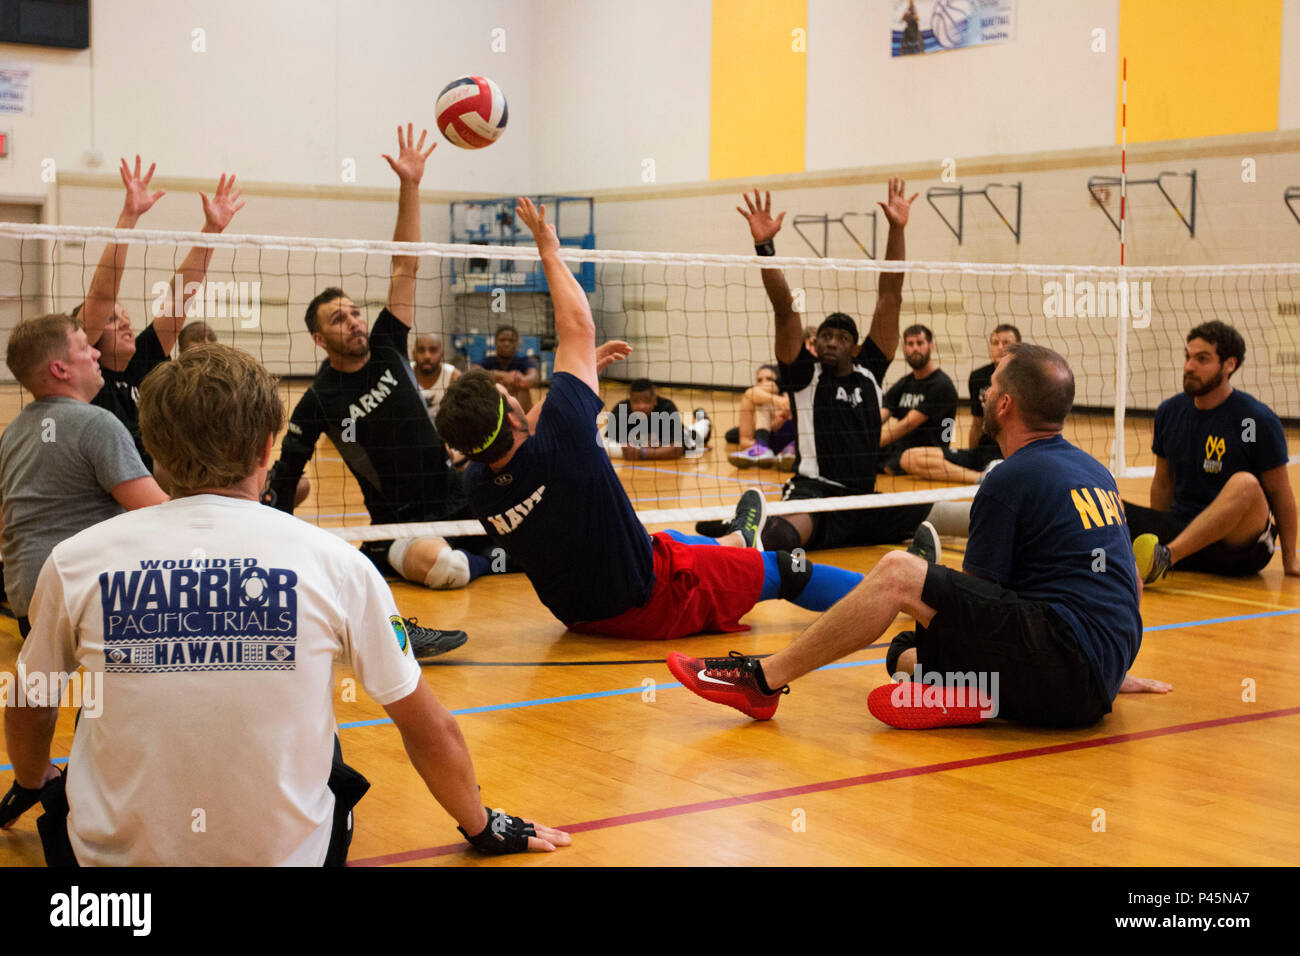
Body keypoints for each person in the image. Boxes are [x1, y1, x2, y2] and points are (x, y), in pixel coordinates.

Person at [2, 344, 567, 864]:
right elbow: (429, 728)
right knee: (325, 725)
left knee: (91, 705)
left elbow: (30, 701)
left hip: (102, 874)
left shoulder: (77, 560)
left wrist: (33, 780)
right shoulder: (336, 562)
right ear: (268, 446)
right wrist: (480, 825)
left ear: (150, 447)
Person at [669, 344, 1171, 727]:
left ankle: (762, 681)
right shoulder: (1096, 473)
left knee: (897, 578)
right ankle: (975, 696)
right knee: (904, 645)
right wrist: (1109, 667)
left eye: (992, 386)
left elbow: (974, 605)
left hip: (1066, 671)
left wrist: (923, 599)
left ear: (1006, 405)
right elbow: (1129, 582)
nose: (984, 393)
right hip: (1093, 676)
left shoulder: (1009, 478)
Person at [435, 198, 866, 641]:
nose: (515, 394)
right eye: (508, 395)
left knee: (670, 542)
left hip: (581, 615)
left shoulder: (479, 485)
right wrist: (548, 249)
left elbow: (526, 433)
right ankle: (888, 594)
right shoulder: (564, 432)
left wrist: (583, 377)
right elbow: (578, 328)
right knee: (785, 569)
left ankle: (737, 540)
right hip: (653, 600)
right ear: (511, 416)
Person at [264, 126, 492, 605]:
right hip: (401, 522)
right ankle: (466, 558)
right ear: (318, 338)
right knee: (446, 568)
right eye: (336, 319)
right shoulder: (319, 400)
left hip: (456, 498)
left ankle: (492, 551)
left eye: (352, 312)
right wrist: (273, 546)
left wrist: (410, 184)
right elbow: (287, 474)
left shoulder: (388, 342)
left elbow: (404, 266)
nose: (351, 322)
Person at [723, 184, 939, 552]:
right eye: (825, 336)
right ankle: (735, 544)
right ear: (815, 342)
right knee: (779, 540)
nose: (832, 342)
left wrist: (897, 229)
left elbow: (890, 295)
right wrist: (765, 249)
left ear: (855, 347)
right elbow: (784, 310)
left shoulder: (869, 368)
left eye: (841, 337)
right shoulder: (805, 376)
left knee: (944, 512)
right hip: (815, 495)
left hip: (863, 501)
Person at [0, 314, 167, 642]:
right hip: (85, 610)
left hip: (29, 614)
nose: (96, 353)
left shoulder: (13, 432)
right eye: (84, 348)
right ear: (60, 369)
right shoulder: (96, 424)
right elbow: (159, 513)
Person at [75, 157, 245, 472]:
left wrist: (211, 231)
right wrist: (129, 216)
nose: (125, 321)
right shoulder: (88, 375)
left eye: (124, 315)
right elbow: (101, 294)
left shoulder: (144, 357)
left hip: (152, 482)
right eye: (112, 319)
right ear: (88, 342)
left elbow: (180, 295)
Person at [1123, 321, 1299, 583]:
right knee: (1107, 501)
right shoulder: (1169, 412)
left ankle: (1166, 557)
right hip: (1184, 530)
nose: (1189, 366)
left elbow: (1280, 492)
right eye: (1188, 357)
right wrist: (1157, 524)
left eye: (1202, 359)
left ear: (1229, 365)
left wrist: (1290, 561)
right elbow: (1163, 481)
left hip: (1238, 547)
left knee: (1246, 484)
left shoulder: (1255, 419)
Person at [900, 324, 1017, 483]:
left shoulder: (1027, 379)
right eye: (995, 342)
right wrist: (972, 456)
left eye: (1006, 343)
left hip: (1014, 455)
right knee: (908, 458)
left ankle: (997, 471)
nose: (1000, 347)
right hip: (982, 453)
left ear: (1018, 347)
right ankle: (982, 478)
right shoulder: (978, 377)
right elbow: (977, 424)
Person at [878, 324, 958, 475]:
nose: (915, 348)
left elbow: (906, 425)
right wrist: (862, 434)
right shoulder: (904, 383)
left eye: (920, 343)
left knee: (883, 468)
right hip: (899, 448)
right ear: (904, 349)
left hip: (926, 453)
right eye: (910, 344)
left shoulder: (941, 385)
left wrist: (867, 444)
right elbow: (882, 414)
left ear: (931, 346)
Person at [604, 378, 710, 461]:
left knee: (698, 433)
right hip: (658, 443)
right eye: (636, 401)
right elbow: (607, 443)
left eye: (646, 401)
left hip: (687, 438)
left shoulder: (666, 408)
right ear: (630, 401)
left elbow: (676, 450)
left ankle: (703, 418)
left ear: (655, 400)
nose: (641, 406)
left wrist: (643, 453)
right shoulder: (620, 409)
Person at [726, 364, 796, 470]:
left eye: (769, 379)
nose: (764, 383)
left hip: (798, 435)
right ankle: (762, 447)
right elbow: (744, 443)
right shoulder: (754, 398)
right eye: (759, 380)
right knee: (759, 402)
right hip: (771, 441)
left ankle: (793, 448)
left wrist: (785, 413)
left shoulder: (790, 392)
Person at [478, 325, 539, 413]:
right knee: (485, 381)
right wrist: (499, 375)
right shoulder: (488, 361)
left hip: (519, 409)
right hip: (492, 409)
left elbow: (534, 378)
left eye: (511, 340)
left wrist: (519, 380)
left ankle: (522, 418)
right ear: (495, 343)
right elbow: (474, 370)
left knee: (522, 387)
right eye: (502, 340)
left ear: (517, 343)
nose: (507, 344)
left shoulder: (523, 361)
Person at [412, 332, 460, 422]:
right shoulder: (404, 373)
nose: (427, 356)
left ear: (442, 354)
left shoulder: (453, 377)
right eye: (421, 350)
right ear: (413, 354)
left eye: (433, 350)